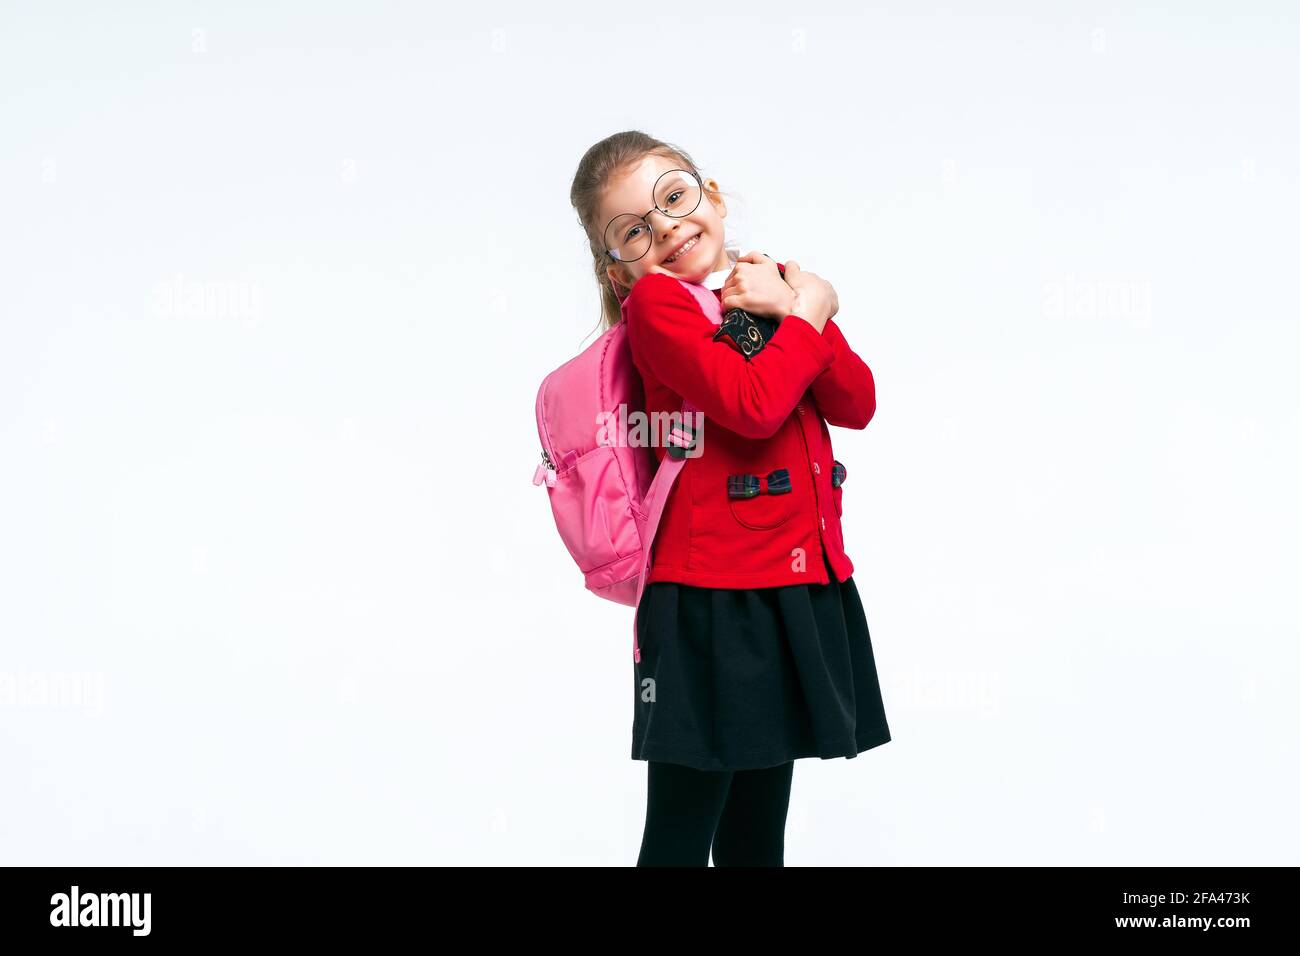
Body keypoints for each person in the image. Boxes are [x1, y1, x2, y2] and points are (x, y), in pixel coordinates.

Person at [569, 131, 891, 867]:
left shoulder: (764, 282)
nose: (669, 229)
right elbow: (753, 405)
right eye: (634, 232)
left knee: (754, 837)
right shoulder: (658, 305)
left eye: (675, 199)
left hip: (787, 585)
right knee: (681, 837)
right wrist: (809, 310)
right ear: (617, 267)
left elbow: (858, 403)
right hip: (707, 600)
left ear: (711, 196)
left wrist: (792, 301)